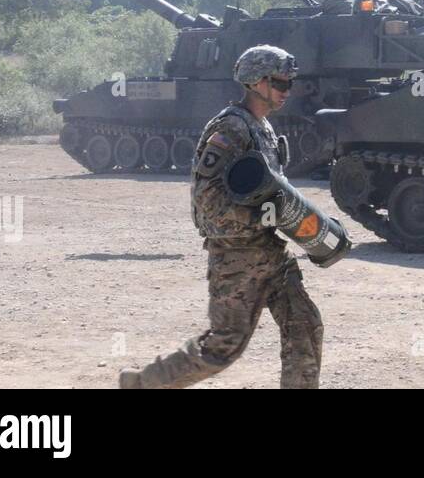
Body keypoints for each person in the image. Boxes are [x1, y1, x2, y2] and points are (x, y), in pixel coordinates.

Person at [119, 45, 323, 388]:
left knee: (304, 325)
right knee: (223, 346)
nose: (287, 91)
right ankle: (142, 384)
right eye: (279, 83)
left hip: (270, 252)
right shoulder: (231, 129)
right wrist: (263, 218)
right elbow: (207, 203)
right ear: (255, 83)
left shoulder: (263, 127)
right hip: (236, 256)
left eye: (289, 84)